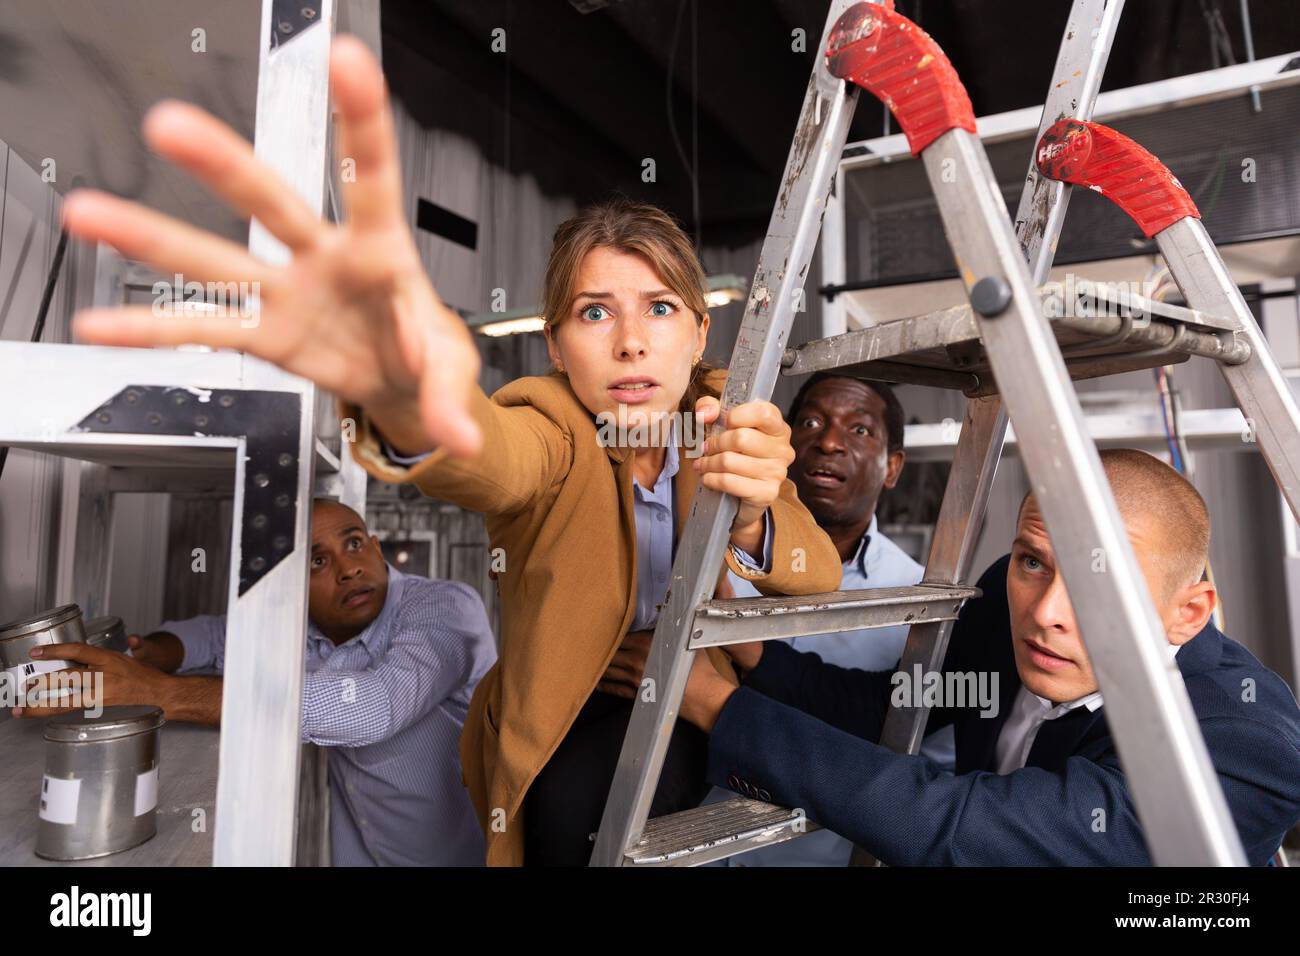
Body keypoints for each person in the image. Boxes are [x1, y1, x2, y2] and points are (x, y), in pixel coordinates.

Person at [58, 38, 842, 865]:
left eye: (657, 309)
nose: (630, 345)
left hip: (702, 696)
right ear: (556, 345)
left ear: (698, 332)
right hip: (572, 716)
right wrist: (411, 402)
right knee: (574, 810)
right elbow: (492, 452)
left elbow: (815, 571)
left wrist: (752, 518)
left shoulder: (729, 424)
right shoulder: (554, 429)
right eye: (595, 313)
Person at [674, 449, 1300, 865]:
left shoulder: (1244, 744)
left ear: (1187, 613)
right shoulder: (1011, 604)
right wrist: (751, 653)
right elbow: (902, 707)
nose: (1047, 611)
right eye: (1035, 561)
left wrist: (714, 703)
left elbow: (962, 828)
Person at [17, 499, 496, 867]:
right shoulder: (305, 627)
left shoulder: (446, 609)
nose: (349, 568)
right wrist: (149, 654)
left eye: (353, 544)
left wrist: (155, 691)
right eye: (317, 561)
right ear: (290, 584)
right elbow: (216, 635)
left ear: (373, 545)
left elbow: (376, 706)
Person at [708, 373, 955, 868]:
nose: (828, 441)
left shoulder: (921, 607)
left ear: (893, 467)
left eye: (860, 430)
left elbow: (931, 769)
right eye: (811, 422)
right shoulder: (714, 566)